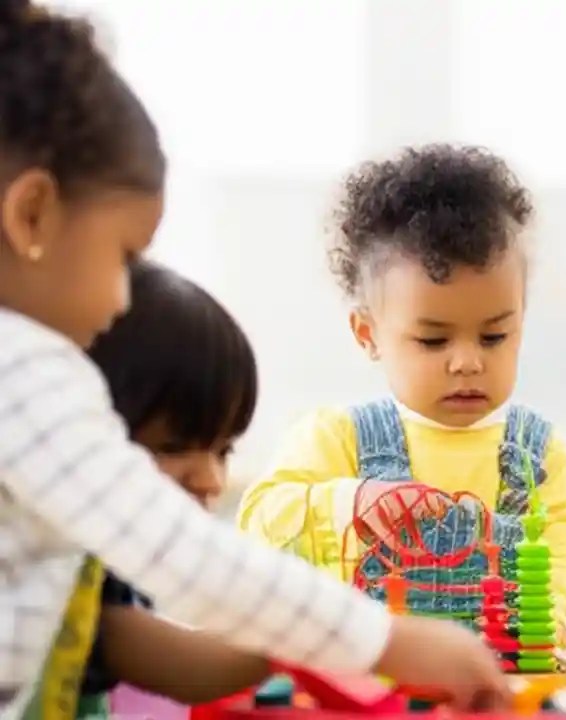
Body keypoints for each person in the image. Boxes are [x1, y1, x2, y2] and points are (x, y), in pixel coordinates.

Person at [0, 2, 508, 715]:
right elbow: (182, 555)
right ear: (31, 217)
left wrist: (308, 641)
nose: (123, 298)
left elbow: (140, 634)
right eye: (125, 255)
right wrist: (387, 640)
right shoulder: (24, 370)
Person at [236, 144, 566, 639]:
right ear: (368, 335)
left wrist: (541, 634)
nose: (468, 361)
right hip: (376, 698)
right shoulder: (336, 439)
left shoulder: (544, 460)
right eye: (433, 340)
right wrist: (351, 502)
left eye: (495, 336)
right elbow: (257, 527)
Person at [75, 261, 270, 715]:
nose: (211, 480)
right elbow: (186, 665)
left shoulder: (124, 559)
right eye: (173, 446)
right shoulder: (66, 569)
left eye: (224, 451)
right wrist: (322, 639)